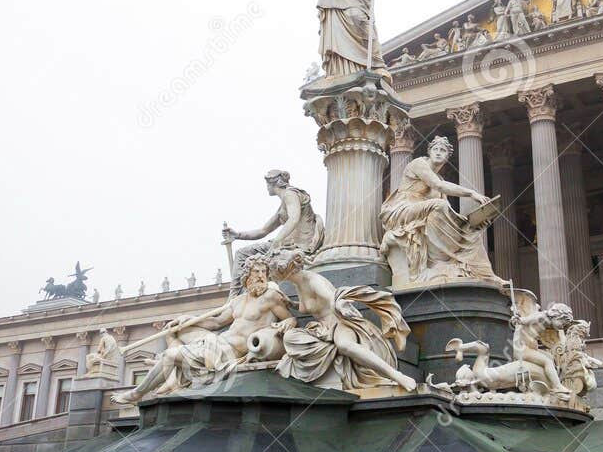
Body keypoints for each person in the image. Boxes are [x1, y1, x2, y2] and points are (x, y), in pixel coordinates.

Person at [112, 251, 294, 404]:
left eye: (264, 271)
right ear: (248, 276)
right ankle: (166, 385)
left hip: (232, 352)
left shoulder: (271, 297)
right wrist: (190, 319)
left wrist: (289, 322)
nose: (261, 275)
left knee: (170, 356)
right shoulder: (237, 301)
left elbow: (291, 319)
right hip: (218, 342)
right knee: (176, 332)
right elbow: (216, 323)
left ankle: (139, 393)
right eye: (256, 271)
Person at [268, 247, 415, 392]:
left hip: (339, 323)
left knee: (344, 345)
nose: (271, 275)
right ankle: (323, 360)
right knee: (289, 337)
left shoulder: (312, 280)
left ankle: (396, 375)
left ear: (283, 269)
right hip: (321, 328)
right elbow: (308, 306)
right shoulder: (297, 283)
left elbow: (331, 296)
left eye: (273, 270)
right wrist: (290, 304)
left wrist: (340, 304)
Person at [379, 136, 500, 285]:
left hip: (424, 210)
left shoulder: (440, 179)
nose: (438, 152)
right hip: (402, 210)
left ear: (447, 157)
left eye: (442, 150)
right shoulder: (419, 164)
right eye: (435, 149)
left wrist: (470, 224)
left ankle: (484, 273)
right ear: (429, 152)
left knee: (472, 233)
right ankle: (437, 262)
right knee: (438, 205)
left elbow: (448, 212)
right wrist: (471, 193)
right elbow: (439, 187)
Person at [223, 169, 324, 265]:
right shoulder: (283, 206)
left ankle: (237, 284)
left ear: (273, 183)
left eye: (267, 184)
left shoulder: (290, 194)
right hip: (288, 243)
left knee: (241, 254)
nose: (267, 187)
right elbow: (263, 231)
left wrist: (277, 241)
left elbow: (294, 219)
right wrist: (238, 235)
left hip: (297, 245)